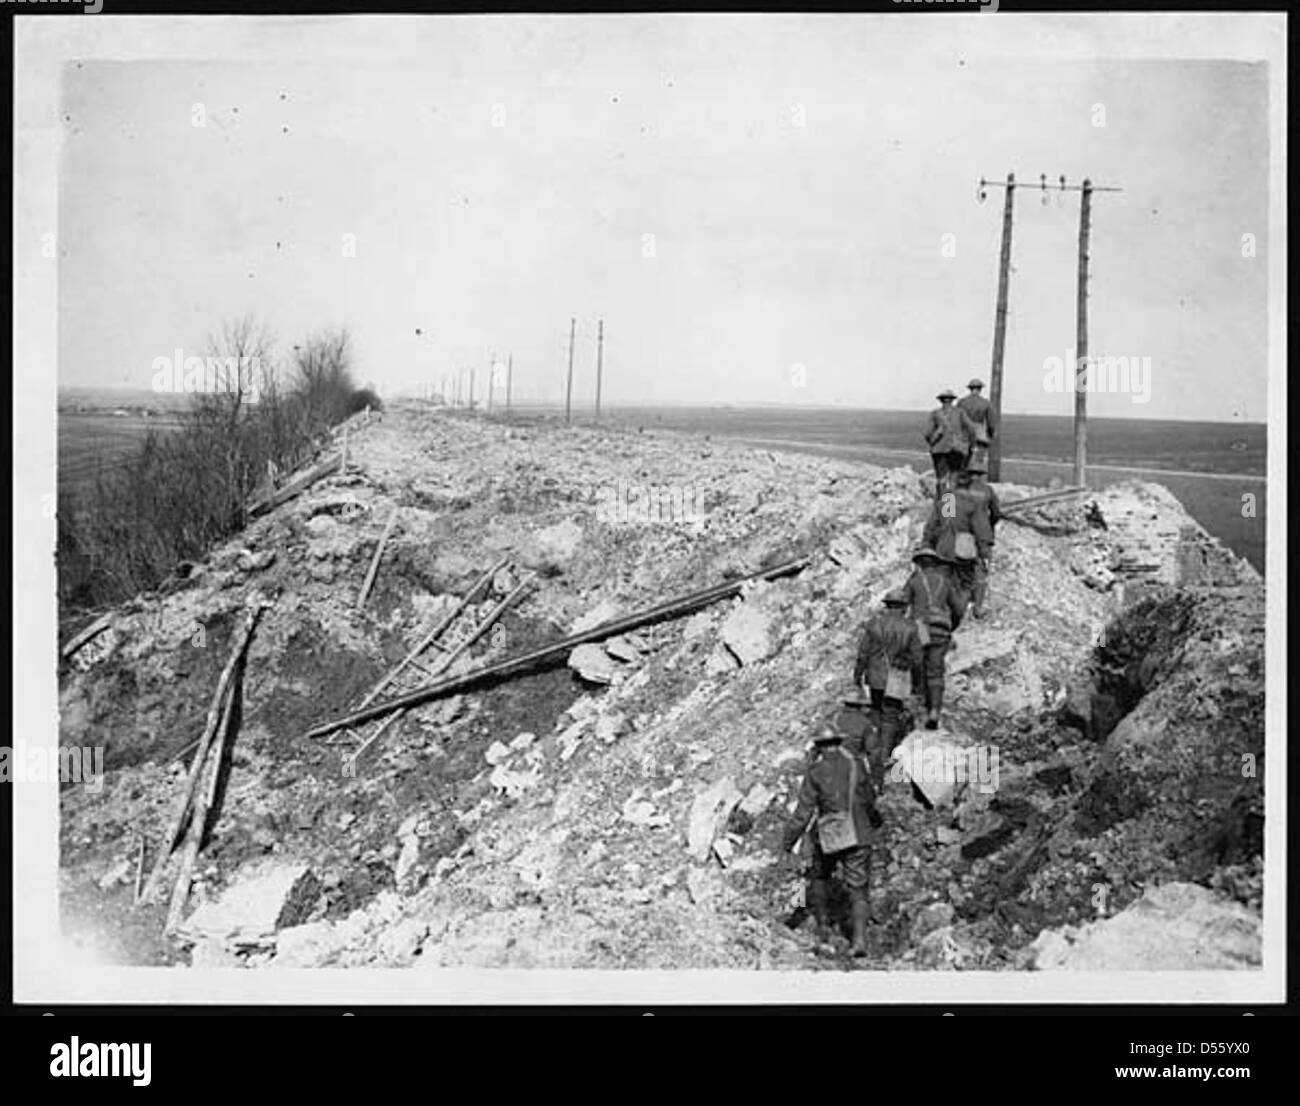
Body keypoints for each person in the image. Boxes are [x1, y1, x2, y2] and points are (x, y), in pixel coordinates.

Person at [780, 724, 884, 958]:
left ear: (818, 747)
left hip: (831, 836)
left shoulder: (815, 772)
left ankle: (824, 927)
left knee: (819, 876)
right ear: (839, 742)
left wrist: (788, 843)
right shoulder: (856, 764)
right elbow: (869, 798)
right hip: (859, 833)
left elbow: (802, 815)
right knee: (858, 888)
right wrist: (873, 819)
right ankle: (859, 941)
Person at [852, 588, 924, 782]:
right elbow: (917, 659)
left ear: (887, 605)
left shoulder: (873, 624)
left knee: (876, 714)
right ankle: (883, 760)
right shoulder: (910, 627)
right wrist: (917, 684)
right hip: (897, 679)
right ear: (903, 607)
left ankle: (873, 755)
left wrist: (857, 675)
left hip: (875, 678)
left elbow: (863, 654)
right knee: (890, 718)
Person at [903, 547, 965, 729]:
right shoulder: (945, 582)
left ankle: (920, 703)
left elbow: (903, 603)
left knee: (919, 663)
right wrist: (951, 626)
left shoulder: (915, 581)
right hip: (941, 628)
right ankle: (935, 710)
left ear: (919, 564)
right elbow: (958, 609)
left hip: (921, 626)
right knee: (936, 668)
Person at [922, 469, 994, 617]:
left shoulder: (945, 500)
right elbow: (981, 530)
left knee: (944, 577)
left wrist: (927, 543)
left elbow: (932, 525)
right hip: (962, 550)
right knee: (972, 578)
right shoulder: (972, 503)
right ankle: (974, 609)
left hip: (943, 548)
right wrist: (984, 551)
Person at [964, 460, 1002, 618]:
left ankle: (961, 603)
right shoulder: (988, 491)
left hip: (961, 534)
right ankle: (977, 608)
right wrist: (988, 526)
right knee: (981, 570)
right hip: (982, 536)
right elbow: (997, 513)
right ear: (981, 475)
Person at [923, 389, 979, 493]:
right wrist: (970, 444)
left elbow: (926, 433)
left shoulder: (935, 414)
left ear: (941, 401)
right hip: (956, 449)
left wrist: (933, 443)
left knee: (941, 478)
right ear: (952, 400)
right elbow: (972, 429)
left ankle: (941, 504)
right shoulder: (960, 412)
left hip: (938, 450)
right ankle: (949, 506)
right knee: (953, 477)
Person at [957, 377, 996, 470]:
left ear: (970, 389)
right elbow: (991, 422)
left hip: (964, 432)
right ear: (980, 389)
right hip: (979, 432)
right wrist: (991, 434)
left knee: (962, 461)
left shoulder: (962, 402)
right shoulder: (986, 403)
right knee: (978, 461)